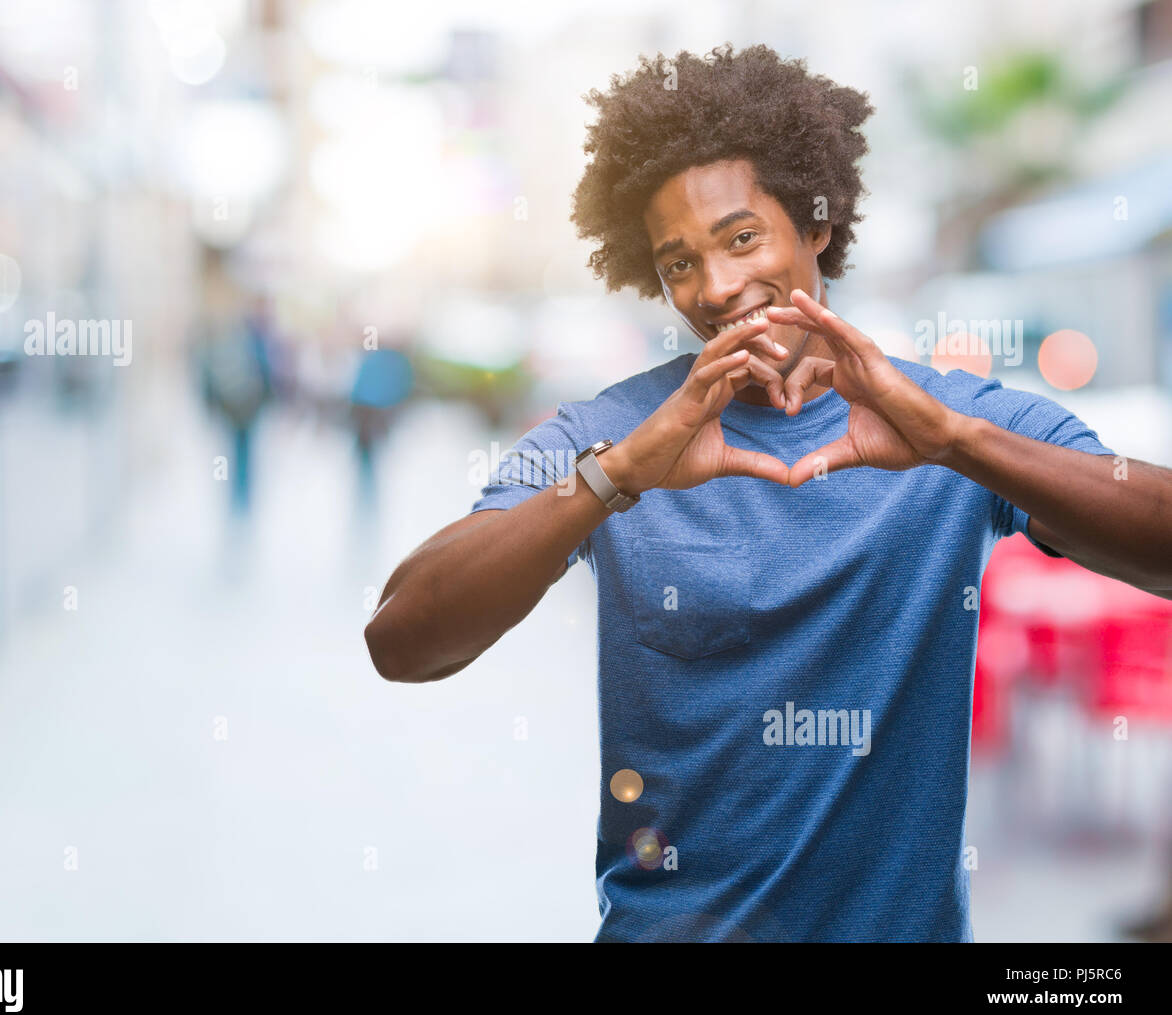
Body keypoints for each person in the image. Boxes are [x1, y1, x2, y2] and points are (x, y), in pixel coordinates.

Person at [363, 44, 1172, 942]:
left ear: (817, 225)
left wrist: (956, 444)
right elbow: (402, 637)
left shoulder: (945, 418)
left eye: (743, 238)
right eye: (678, 263)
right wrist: (613, 479)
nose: (715, 288)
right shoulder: (616, 436)